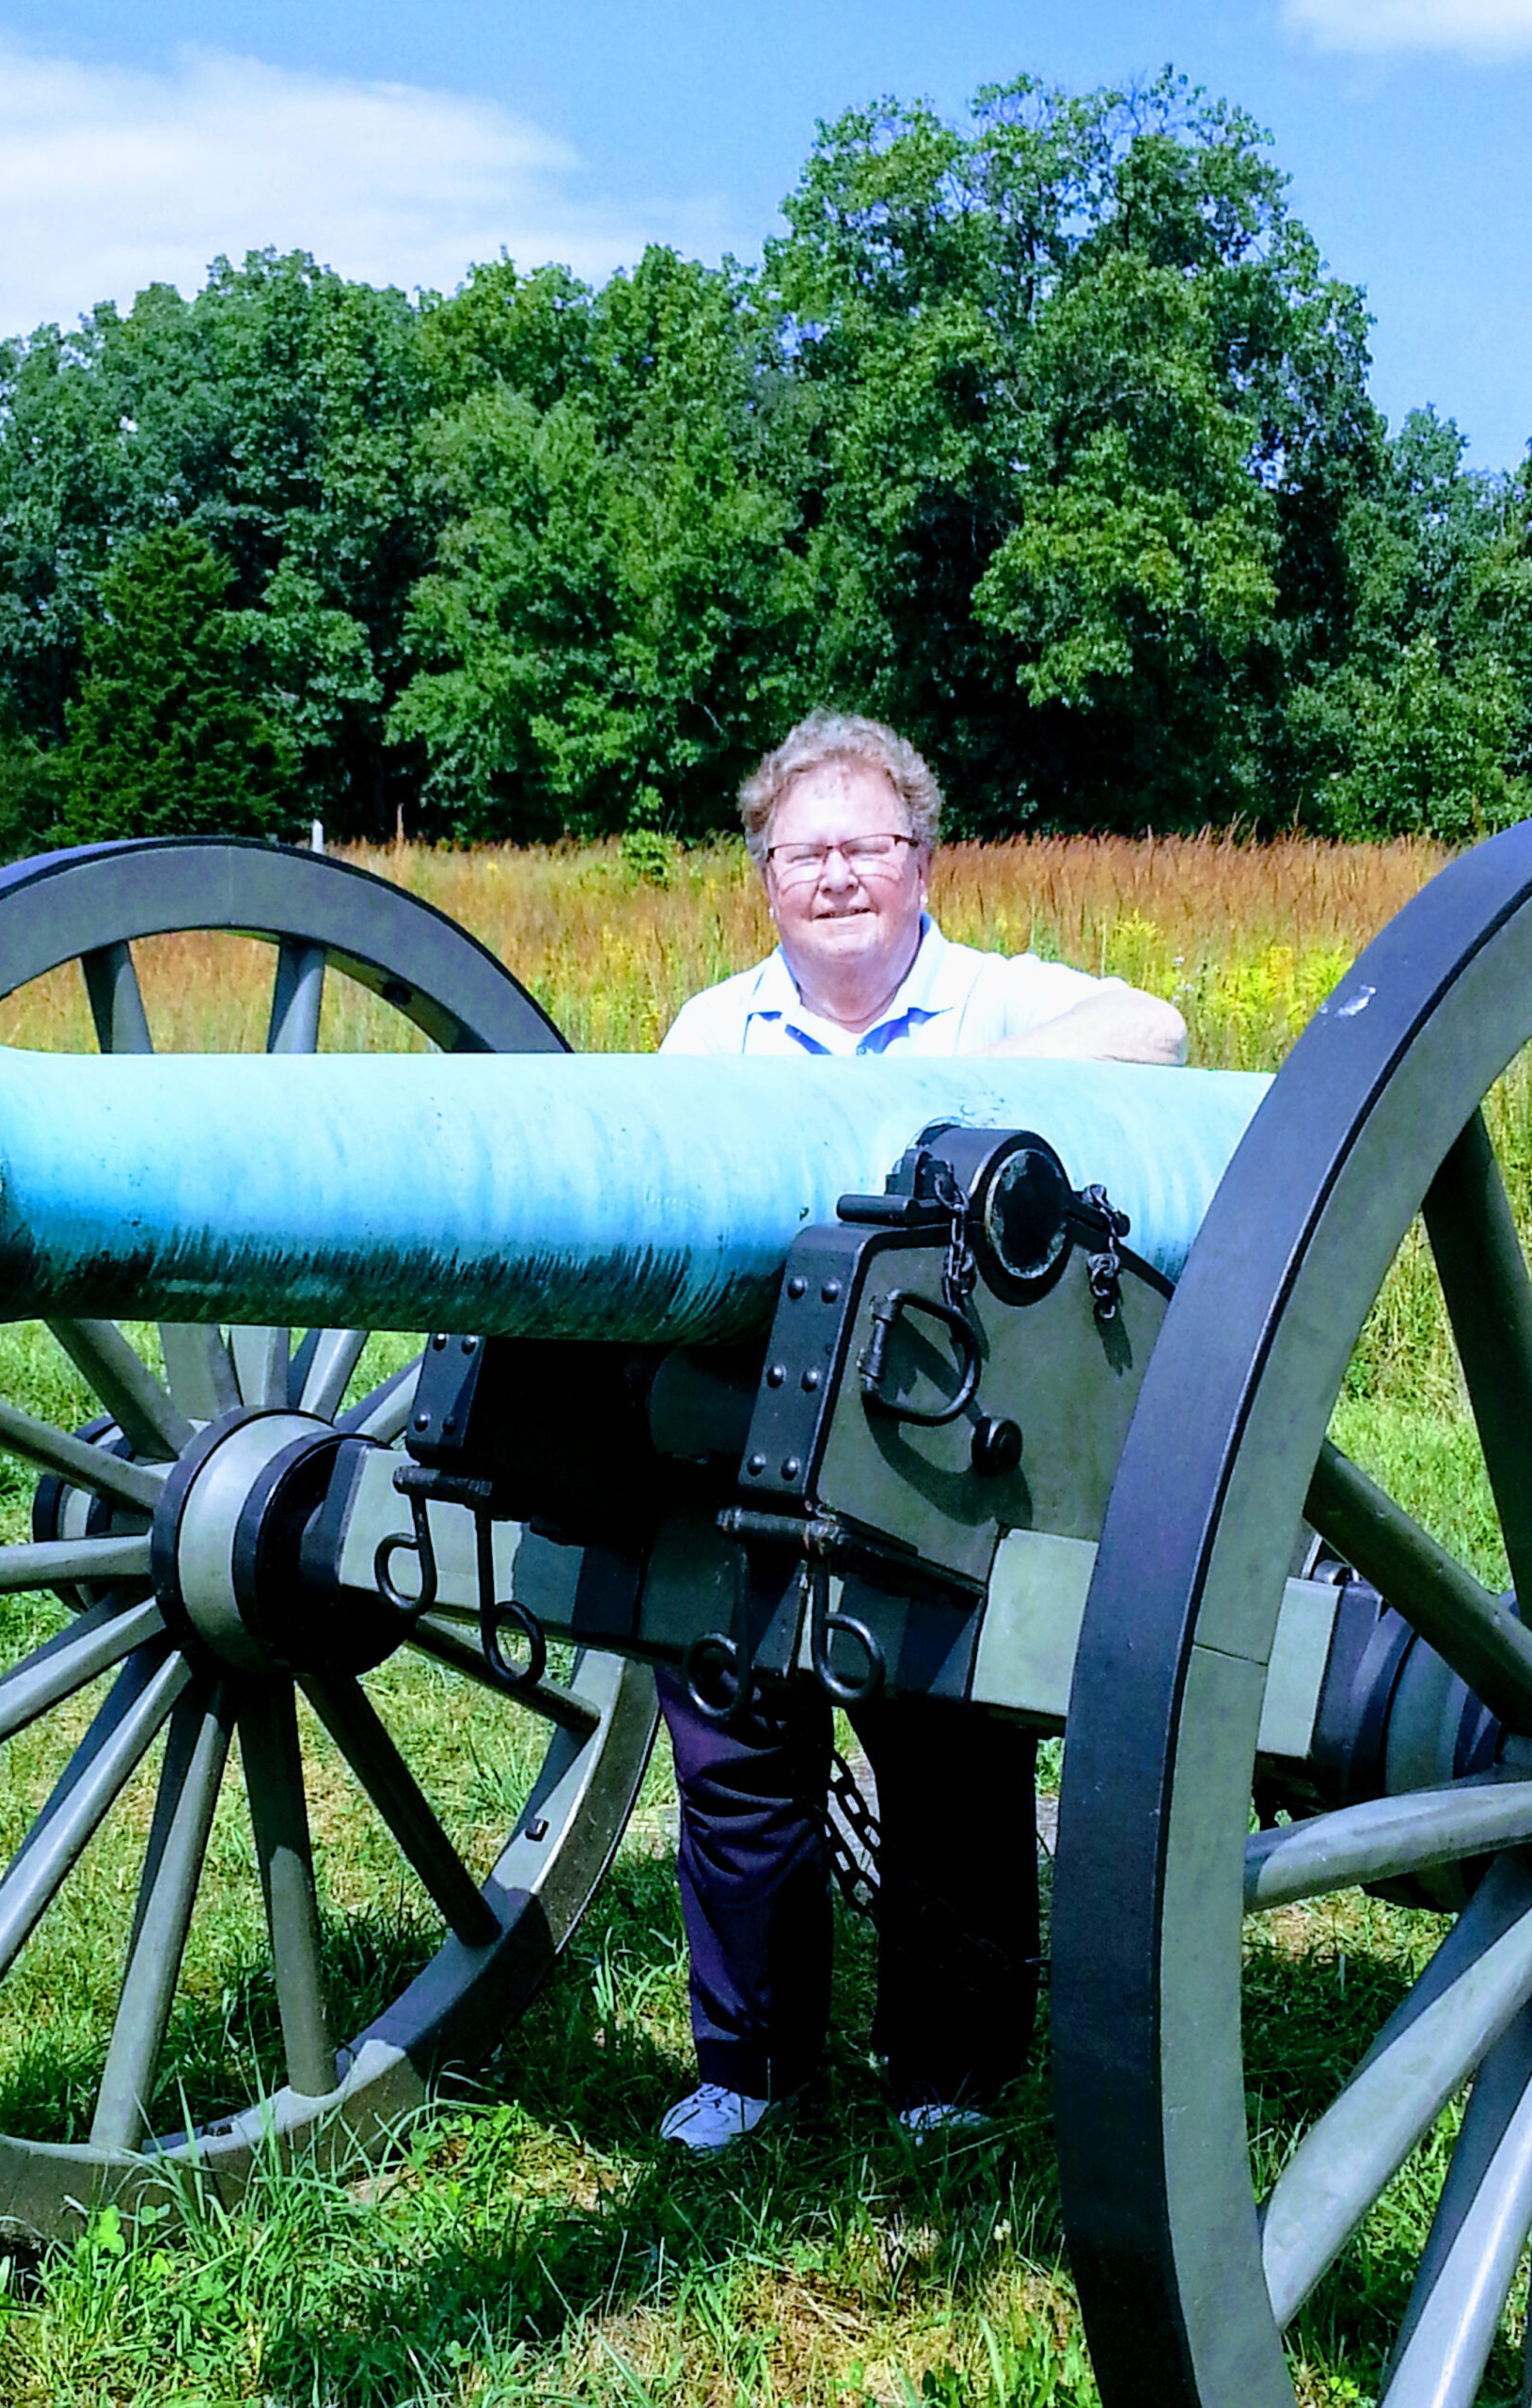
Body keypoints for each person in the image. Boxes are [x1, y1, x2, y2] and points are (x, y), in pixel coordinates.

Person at [654, 711, 1186, 2153]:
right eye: (803, 850)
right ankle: (749, 2065)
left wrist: (922, 1108)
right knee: (733, 1754)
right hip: (749, 1428)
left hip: (940, 1434)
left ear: (921, 860)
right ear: (765, 873)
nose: (836, 876)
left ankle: (948, 2068)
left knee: (950, 1749)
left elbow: (1158, 1028)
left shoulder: (997, 1002)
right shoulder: (713, 1031)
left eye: (866, 846)